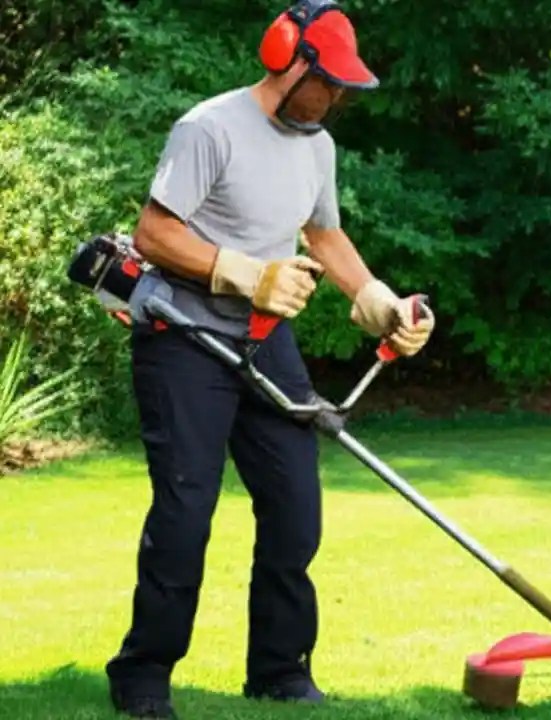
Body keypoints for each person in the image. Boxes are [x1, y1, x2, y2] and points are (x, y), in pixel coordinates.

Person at [102, 2, 432, 718]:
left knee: (294, 505)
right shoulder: (209, 128)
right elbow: (154, 234)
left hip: (263, 337)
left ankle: (280, 671)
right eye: (328, 81)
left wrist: (377, 300)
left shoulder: (318, 147)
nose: (336, 97)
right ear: (289, 60)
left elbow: (323, 235)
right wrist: (246, 272)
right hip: (183, 335)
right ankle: (143, 674)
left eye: (344, 86)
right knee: (186, 508)